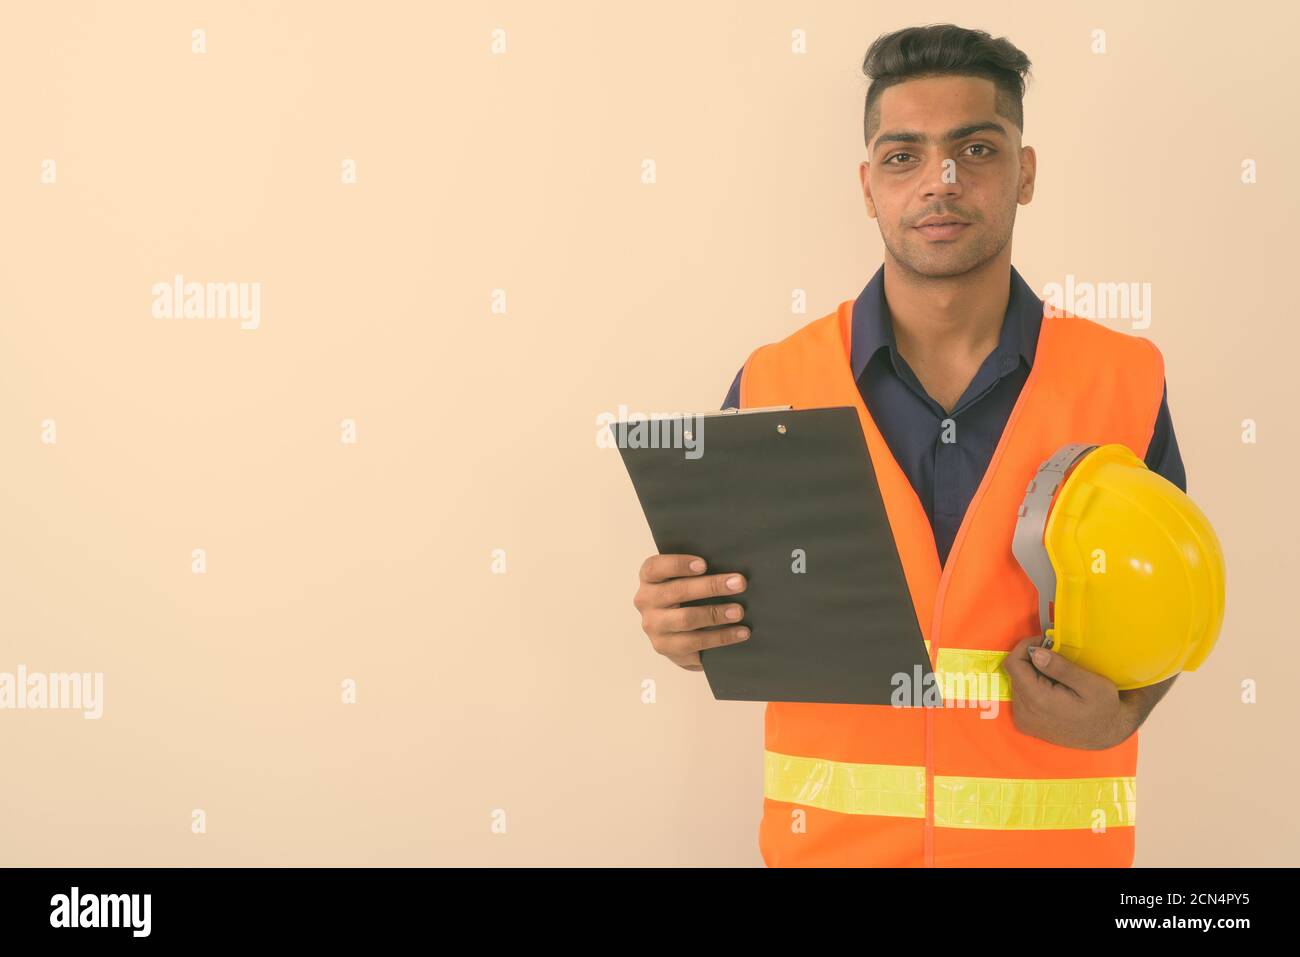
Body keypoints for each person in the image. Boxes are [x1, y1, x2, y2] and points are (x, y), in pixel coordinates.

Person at [631, 24, 1186, 867]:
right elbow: (726, 609)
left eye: (975, 148)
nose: (942, 181)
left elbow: (1168, 617)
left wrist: (1123, 714)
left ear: (1025, 172)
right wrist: (678, 623)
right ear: (867, 185)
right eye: (904, 156)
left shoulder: (1125, 381)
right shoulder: (773, 381)